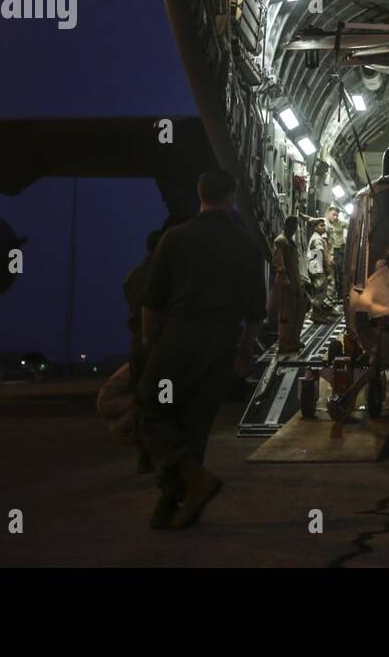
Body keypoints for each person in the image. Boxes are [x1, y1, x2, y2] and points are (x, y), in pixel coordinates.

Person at [137, 169, 264, 530]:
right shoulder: (246, 245)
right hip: (221, 341)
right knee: (196, 423)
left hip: (179, 336)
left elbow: (152, 302)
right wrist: (244, 350)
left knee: (153, 409)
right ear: (232, 196)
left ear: (199, 194)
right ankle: (171, 503)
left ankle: (191, 480)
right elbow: (256, 309)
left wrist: (150, 346)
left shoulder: (174, 239)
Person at [124, 228, 163, 473]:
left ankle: (143, 455)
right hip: (159, 346)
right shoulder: (163, 275)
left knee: (142, 401)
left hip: (138, 344)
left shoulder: (134, 276)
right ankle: (164, 454)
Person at [271, 216, 304, 356]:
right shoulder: (281, 241)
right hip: (286, 282)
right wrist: (285, 279)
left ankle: (294, 339)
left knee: (299, 309)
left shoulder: (291, 241)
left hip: (295, 281)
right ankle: (285, 344)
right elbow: (278, 262)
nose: (294, 229)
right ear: (287, 225)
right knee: (286, 313)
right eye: (293, 226)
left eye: (296, 227)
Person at [307, 218, 330, 319]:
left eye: (324, 225)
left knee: (317, 290)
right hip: (317, 267)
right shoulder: (317, 239)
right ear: (315, 228)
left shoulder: (316, 237)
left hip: (315, 266)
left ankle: (317, 312)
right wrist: (326, 266)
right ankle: (315, 314)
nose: (324, 227)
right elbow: (320, 253)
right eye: (321, 225)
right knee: (320, 291)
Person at [325, 205, 348, 305]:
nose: (335, 217)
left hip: (339, 250)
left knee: (340, 272)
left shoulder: (341, 223)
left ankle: (340, 295)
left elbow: (352, 226)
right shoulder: (324, 224)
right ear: (328, 214)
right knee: (330, 274)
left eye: (337, 215)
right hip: (330, 250)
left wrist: (346, 242)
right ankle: (330, 296)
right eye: (333, 214)